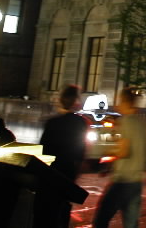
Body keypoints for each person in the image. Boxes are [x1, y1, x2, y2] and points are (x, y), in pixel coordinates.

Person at [93, 88, 146, 228]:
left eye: (120, 101)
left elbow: (124, 151)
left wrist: (108, 153)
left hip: (123, 180)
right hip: (137, 180)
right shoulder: (143, 124)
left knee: (101, 219)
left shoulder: (125, 122)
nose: (118, 105)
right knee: (131, 224)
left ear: (125, 102)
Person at [33, 84, 88, 228]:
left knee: (43, 215)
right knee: (60, 212)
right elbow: (80, 152)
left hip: (49, 173)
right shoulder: (80, 122)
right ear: (75, 101)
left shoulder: (52, 123)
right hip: (67, 173)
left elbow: (43, 149)